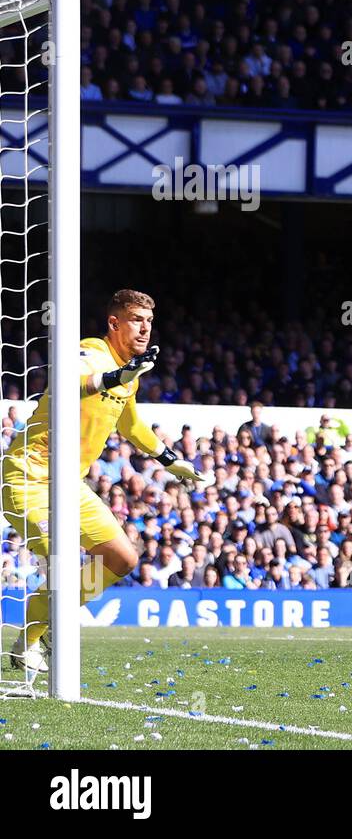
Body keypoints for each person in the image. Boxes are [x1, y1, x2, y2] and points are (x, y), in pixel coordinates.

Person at [4, 290, 214, 678]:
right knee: (63, 562)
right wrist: (118, 376)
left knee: (122, 559)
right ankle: (32, 639)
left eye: (149, 321)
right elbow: (72, 386)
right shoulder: (92, 352)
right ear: (114, 323)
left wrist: (173, 461)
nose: (145, 327)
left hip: (69, 484)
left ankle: (38, 633)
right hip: (29, 476)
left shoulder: (128, 373)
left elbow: (131, 426)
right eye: (136, 319)